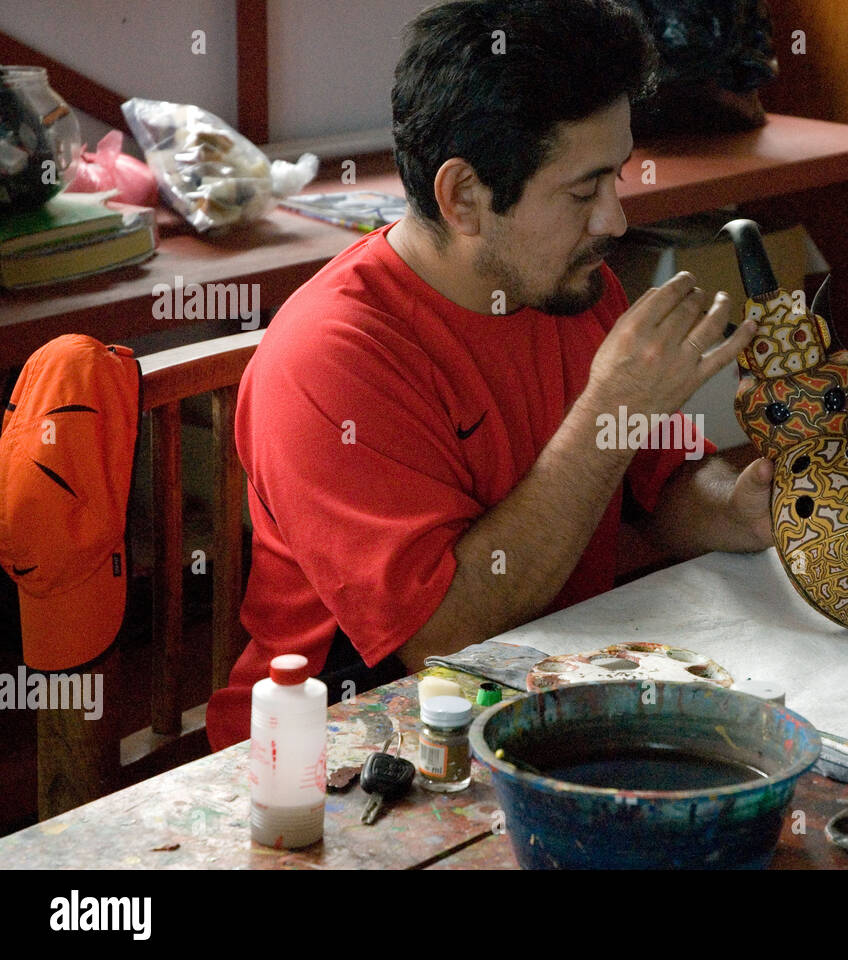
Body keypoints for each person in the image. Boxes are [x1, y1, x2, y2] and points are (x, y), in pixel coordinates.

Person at [205, 0, 780, 749]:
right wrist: (611, 406)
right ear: (464, 197)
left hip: (543, 692)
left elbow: (659, 484)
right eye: (583, 191)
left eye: (617, 176)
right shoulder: (332, 359)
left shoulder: (572, 285)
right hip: (343, 749)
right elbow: (449, 640)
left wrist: (737, 509)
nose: (614, 219)